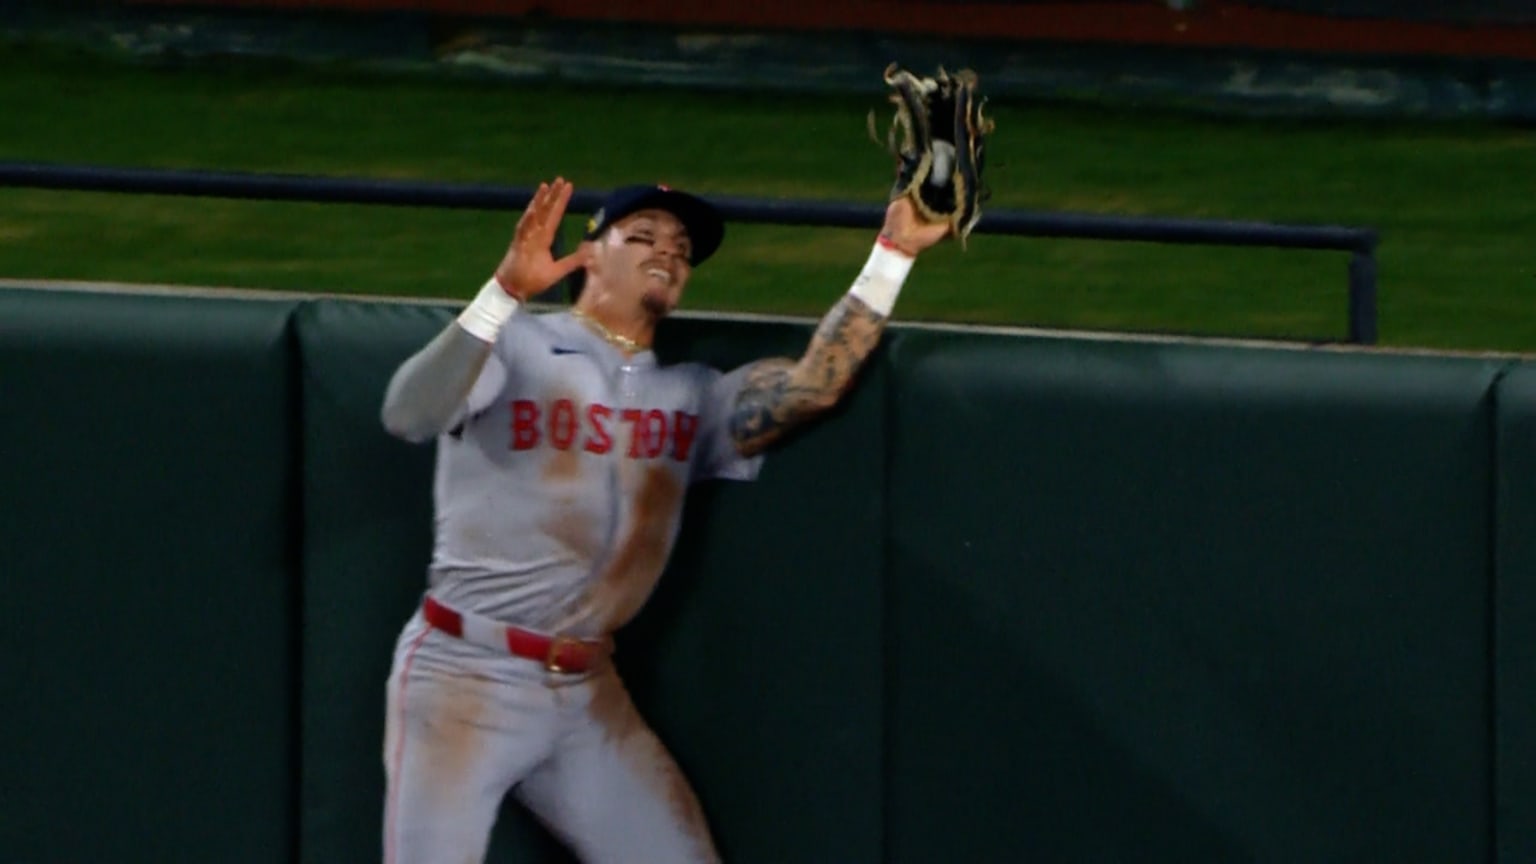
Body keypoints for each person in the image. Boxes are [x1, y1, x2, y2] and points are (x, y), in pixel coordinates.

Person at [378, 176, 952, 864]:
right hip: (464, 675)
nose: (669, 252)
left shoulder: (689, 396)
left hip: (587, 692)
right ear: (588, 254)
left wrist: (894, 250)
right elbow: (407, 415)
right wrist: (502, 293)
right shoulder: (518, 346)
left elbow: (815, 383)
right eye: (642, 235)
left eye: (682, 247)